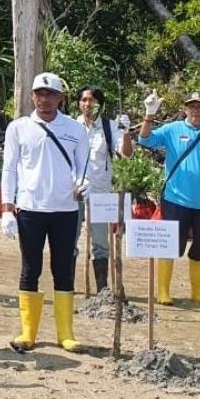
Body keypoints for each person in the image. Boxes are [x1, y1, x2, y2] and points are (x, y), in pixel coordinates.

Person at [0, 73, 89, 353]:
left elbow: (82, 166)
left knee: (64, 268)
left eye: (50, 94)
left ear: (60, 98)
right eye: (39, 93)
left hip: (65, 209)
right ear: (31, 97)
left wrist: (82, 182)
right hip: (30, 209)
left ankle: (66, 332)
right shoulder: (18, 127)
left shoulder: (76, 129)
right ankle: (28, 332)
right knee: (30, 268)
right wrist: (6, 208)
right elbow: (10, 168)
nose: (45, 100)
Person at [138, 90, 200, 307]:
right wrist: (149, 114)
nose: (196, 110)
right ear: (185, 109)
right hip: (175, 199)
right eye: (192, 106)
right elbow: (144, 140)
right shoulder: (173, 129)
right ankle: (163, 291)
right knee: (170, 245)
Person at [72, 86, 133, 292]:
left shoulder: (109, 126)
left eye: (92, 100)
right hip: (73, 191)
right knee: (69, 239)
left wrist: (126, 132)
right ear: (78, 103)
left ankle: (102, 289)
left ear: (100, 103)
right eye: (84, 100)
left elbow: (126, 154)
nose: (87, 104)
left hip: (100, 193)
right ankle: (67, 286)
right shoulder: (71, 126)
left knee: (100, 242)